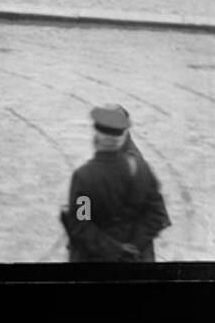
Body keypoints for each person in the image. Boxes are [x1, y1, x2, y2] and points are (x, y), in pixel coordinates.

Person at [61, 105, 171, 262]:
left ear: (97, 137)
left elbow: (81, 223)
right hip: (137, 260)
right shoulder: (141, 169)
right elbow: (158, 215)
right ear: (124, 135)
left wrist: (115, 249)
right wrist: (133, 246)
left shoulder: (84, 177)